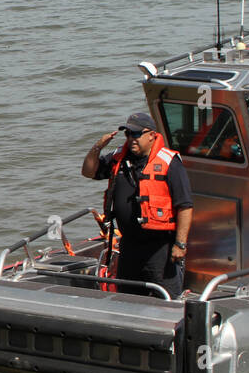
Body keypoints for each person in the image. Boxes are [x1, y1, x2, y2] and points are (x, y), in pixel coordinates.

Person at [81, 111, 193, 298]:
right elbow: (88, 172)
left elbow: (185, 206)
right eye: (128, 134)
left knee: (166, 300)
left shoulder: (169, 162)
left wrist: (180, 244)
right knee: (127, 299)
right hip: (129, 247)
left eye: (136, 134)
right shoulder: (118, 158)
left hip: (159, 249)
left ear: (151, 135)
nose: (131, 139)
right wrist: (98, 147)